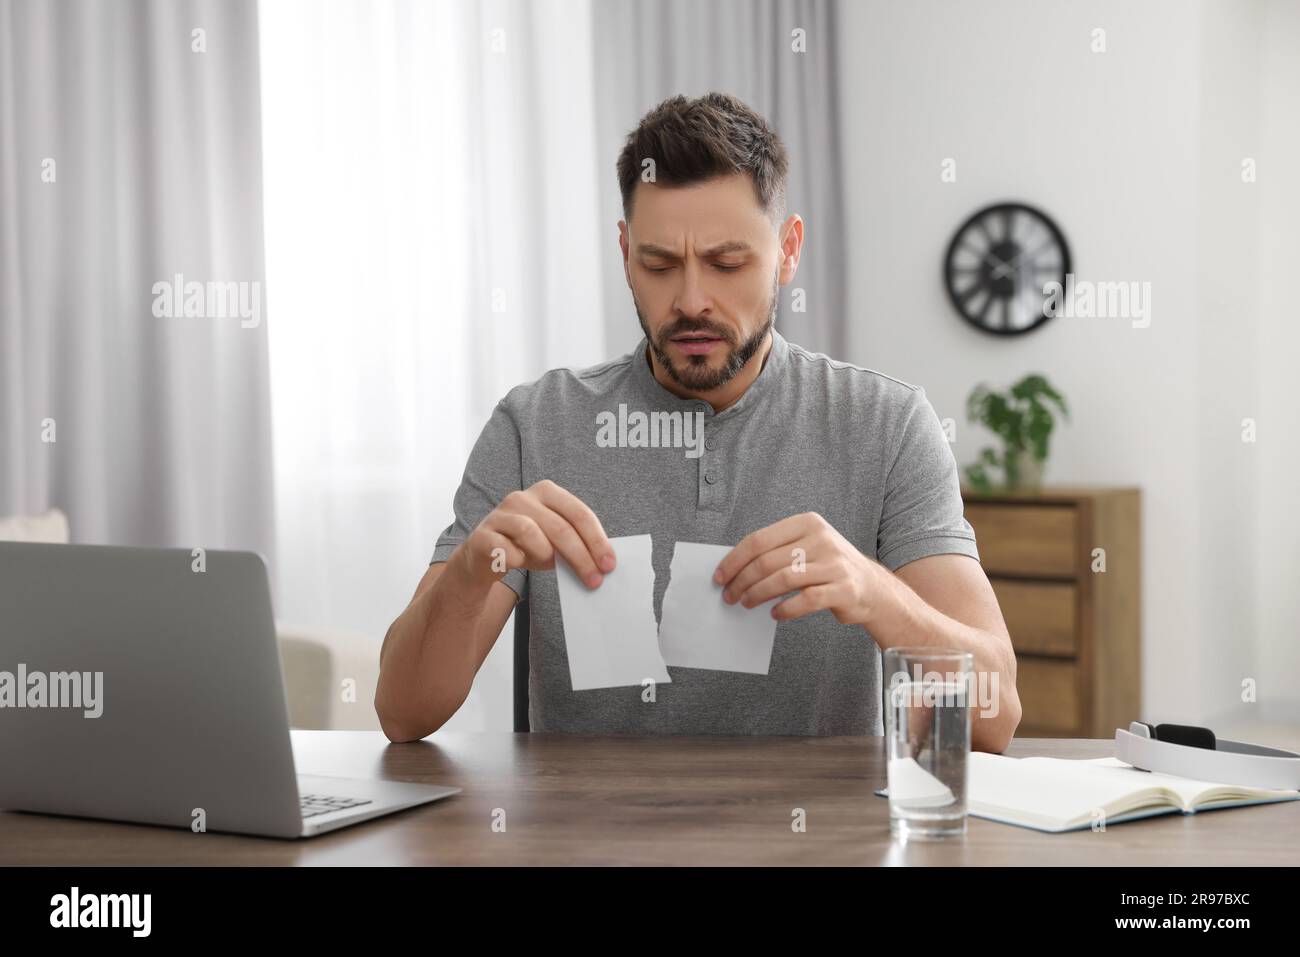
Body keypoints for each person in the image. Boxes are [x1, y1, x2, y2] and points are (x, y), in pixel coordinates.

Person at [376, 92, 1020, 750]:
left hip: (816, 845)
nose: (690, 301)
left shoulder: (888, 426)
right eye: (659, 264)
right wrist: (470, 569)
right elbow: (402, 714)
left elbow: (997, 717)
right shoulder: (534, 424)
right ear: (626, 253)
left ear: (788, 250)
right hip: (587, 842)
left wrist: (877, 592)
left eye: (727, 263)